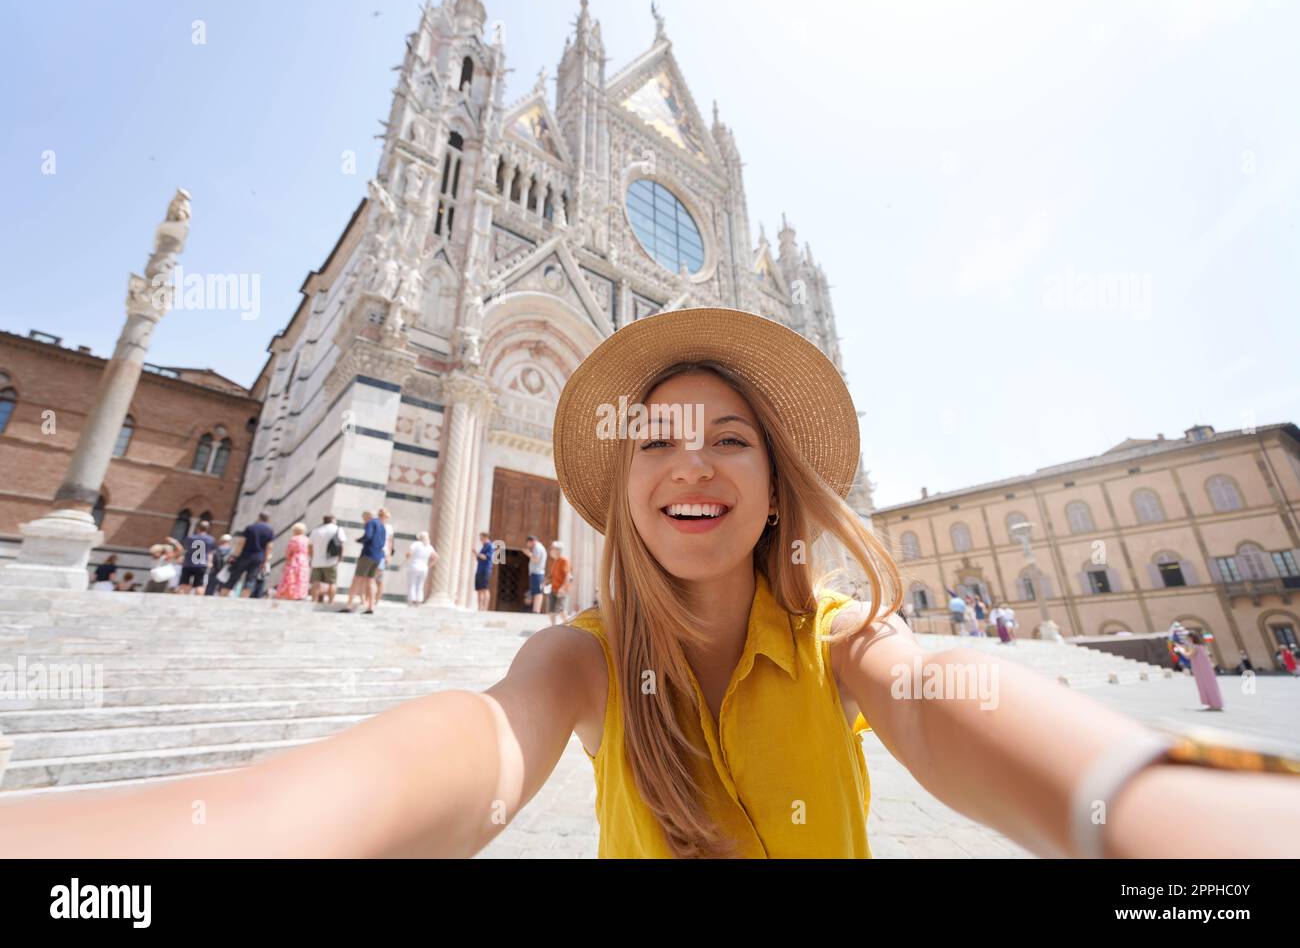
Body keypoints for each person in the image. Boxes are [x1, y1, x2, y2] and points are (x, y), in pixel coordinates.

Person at [5, 306, 1299, 859]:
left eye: (733, 438)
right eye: (659, 441)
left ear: (778, 488)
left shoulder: (843, 641)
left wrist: (1151, 803)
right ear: (618, 490)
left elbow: (939, 707)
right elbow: (471, 756)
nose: (694, 465)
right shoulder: (578, 660)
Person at [220, 513, 275, 598]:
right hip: (258, 558)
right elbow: (269, 547)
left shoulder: (250, 528)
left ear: (259, 518)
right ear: (268, 520)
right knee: (251, 579)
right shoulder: (269, 531)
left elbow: (241, 543)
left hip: (245, 556)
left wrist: (234, 555)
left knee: (234, 576)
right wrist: (266, 561)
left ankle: (223, 596)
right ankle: (243, 598)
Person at [352, 511, 386, 615]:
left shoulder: (370, 523)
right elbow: (383, 542)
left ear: (367, 517)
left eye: (364, 519)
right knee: (371, 581)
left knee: (357, 579)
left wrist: (359, 540)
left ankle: (349, 605)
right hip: (378, 556)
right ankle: (371, 606)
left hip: (368, 554)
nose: (364, 521)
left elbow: (368, 536)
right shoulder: (382, 525)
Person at [309, 515, 345, 605]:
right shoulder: (337, 529)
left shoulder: (316, 530)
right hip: (331, 561)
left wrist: (311, 557)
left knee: (315, 582)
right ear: (333, 520)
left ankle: (314, 600)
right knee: (332, 582)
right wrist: (340, 557)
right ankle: (331, 601)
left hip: (316, 561)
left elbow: (310, 546)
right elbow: (341, 545)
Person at [1187, 630, 1224, 711]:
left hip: (1203, 671)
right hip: (1205, 670)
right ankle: (1213, 704)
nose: (1187, 640)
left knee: (1207, 686)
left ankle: (1215, 704)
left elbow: (1189, 656)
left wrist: (1180, 650)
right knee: (1210, 686)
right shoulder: (1201, 646)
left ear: (1192, 638)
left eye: (1188, 638)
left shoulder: (1196, 647)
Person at [177, 521, 216, 595]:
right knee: (199, 585)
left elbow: (185, 549)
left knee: (184, 584)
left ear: (198, 527)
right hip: (201, 564)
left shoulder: (190, 538)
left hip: (188, 563)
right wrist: (210, 562)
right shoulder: (210, 539)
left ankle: (180, 601)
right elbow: (210, 553)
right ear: (208, 529)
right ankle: (198, 603)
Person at [275, 523, 312, 601]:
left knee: (292, 578)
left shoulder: (294, 539)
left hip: (295, 560)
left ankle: (290, 594)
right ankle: (300, 595)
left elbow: (289, 551)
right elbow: (310, 551)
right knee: (302, 579)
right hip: (304, 560)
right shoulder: (307, 539)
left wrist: (287, 560)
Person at [403, 532, 437, 606]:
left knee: (412, 584)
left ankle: (412, 600)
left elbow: (409, 553)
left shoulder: (415, 544)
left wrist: (407, 557)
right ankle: (419, 601)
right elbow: (436, 557)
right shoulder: (429, 546)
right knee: (420, 585)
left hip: (413, 566)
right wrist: (428, 566)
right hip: (424, 568)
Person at [370, 508, 394, 612]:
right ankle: (372, 599)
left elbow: (389, 542)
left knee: (376, 578)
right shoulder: (376, 524)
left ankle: (375, 600)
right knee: (374, 578)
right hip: (378, 553)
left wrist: (388, 556)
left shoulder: (387, 527)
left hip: (381, 554)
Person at [546, 541, 571, 626]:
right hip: (553, 588)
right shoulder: (555, 561)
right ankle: (553, 626)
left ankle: (569, 625)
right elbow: (553, 576)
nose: (550, 550)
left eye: (552, 549)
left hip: (561, 589)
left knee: (561, 609)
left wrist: (563, 588)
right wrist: (545, 582)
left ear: (558, 550)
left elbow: (568, 575)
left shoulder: (564, 560)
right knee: (551, 610)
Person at [525, 535, 547, 614]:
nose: (527, 545)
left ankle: (536, 610)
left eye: (528, 543)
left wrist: (529, 554)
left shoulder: (537, 548)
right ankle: (536, 610)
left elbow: (536, 560)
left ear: (532, 541)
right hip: (537, 573)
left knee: (538, 592)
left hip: (537, 573)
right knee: (537, 592)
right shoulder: (540, 547)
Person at [473, 532, 494, 610]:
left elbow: (486, 557)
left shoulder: (490, 546)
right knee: (479, 589)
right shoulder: (483, 547)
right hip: (479, 570)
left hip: (485, 570)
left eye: (481, 538)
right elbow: (479, 558)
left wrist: (477, 553)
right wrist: (476, 554)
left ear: (486, 537)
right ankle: (479, 608)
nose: (480, 540)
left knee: (485, 589)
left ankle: (485, 608)